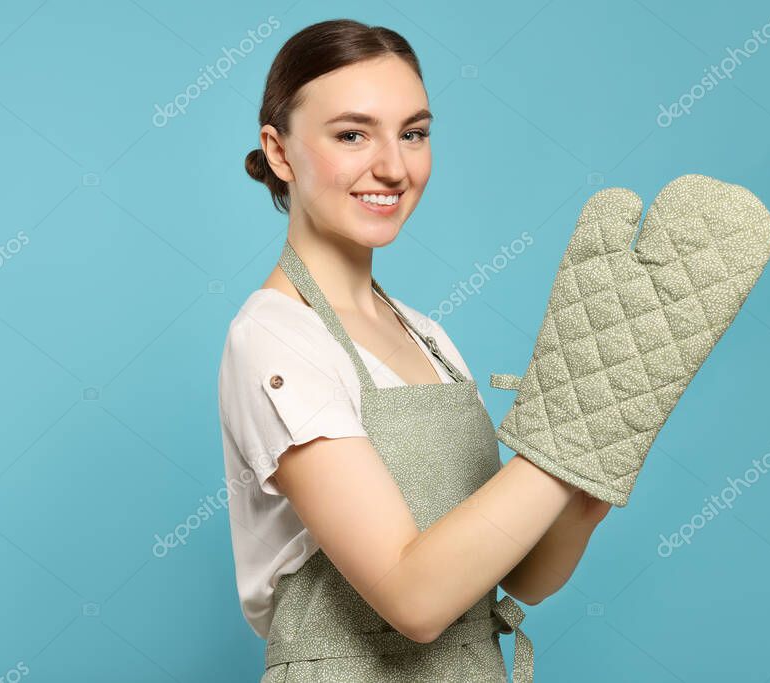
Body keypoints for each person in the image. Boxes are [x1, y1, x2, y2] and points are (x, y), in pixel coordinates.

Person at [218, 18, 612, 682]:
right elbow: (416, 597)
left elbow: (525, 575)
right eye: (352, 134)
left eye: (414, 133)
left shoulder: (428, 337)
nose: (394, 167)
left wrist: (592, 466)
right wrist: (559, 444)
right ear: (279, 151)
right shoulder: (274, 338)